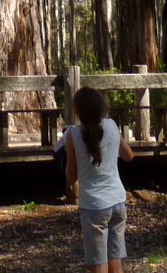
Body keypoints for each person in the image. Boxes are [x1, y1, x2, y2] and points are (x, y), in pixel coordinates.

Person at [65, 85, 134, 273]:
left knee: (98, 262)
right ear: (101, 107)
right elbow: (129, 156)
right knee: (115, 258)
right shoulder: (111, 126)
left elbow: (71, 177)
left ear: (78, 111)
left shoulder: (72, 135)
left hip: (94, 206)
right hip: (118, 201)